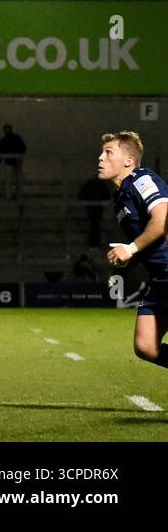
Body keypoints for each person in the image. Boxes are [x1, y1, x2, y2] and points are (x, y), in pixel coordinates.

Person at [100, 131, 168, 373]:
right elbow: (147, 239)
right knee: (146, 346)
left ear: (128, 161)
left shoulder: (141, 180)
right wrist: (124, 261)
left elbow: (162, 221)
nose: (100, 158)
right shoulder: (121, 195)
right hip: (160, 278)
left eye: (108, 153)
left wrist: (130, 248)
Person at [79, 176, 111, 248]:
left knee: (95, 226)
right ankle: (93, 243)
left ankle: (94, 243)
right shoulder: (96, 185)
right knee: (94, 226)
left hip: (96, 209)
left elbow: (107, 196)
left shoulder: (99, 185)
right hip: (93, 208)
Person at [0, 124, 27, 199]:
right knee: (12, 180)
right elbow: (23, 148)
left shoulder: (5, 140)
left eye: (7, 129)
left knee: (13, 180)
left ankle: (12, 195)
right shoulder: (15, 138)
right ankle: (13, 195)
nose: (6, 130)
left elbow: (23, 148)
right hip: (12, 162)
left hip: (13, 162)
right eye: (6, 129)